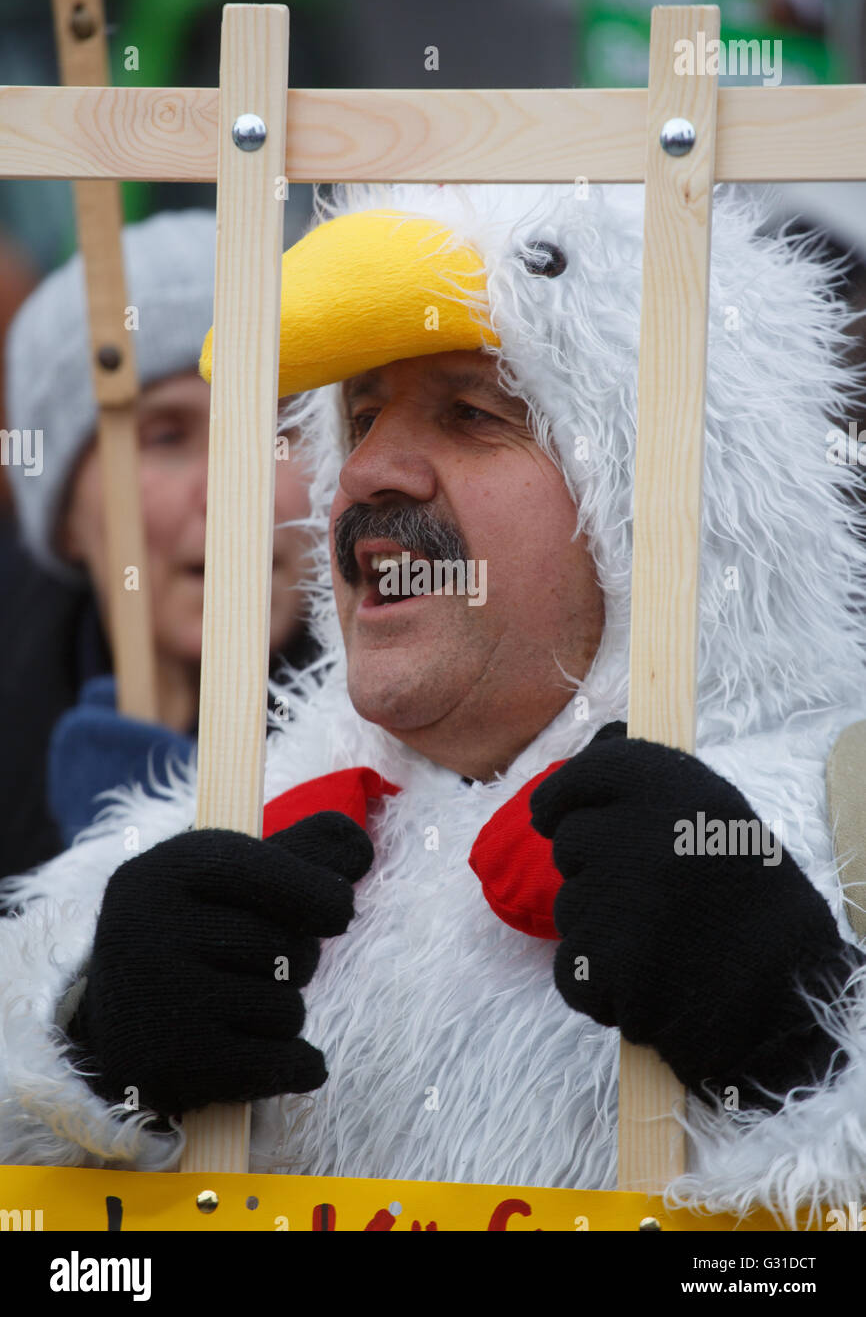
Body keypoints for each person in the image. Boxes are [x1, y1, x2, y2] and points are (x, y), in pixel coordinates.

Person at [1, 182, 865, 1228]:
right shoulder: (219, 822)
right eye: (358, 415)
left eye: (470, 412)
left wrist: (798, 1054)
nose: (366, 471)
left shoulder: (830, 823)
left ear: (663, 491)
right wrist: (87, 1066)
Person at [0, 210, 315, 866]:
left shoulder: (426, 720)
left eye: (275, 424)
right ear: (64, 522)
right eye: (166, 436)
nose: (232, 485)